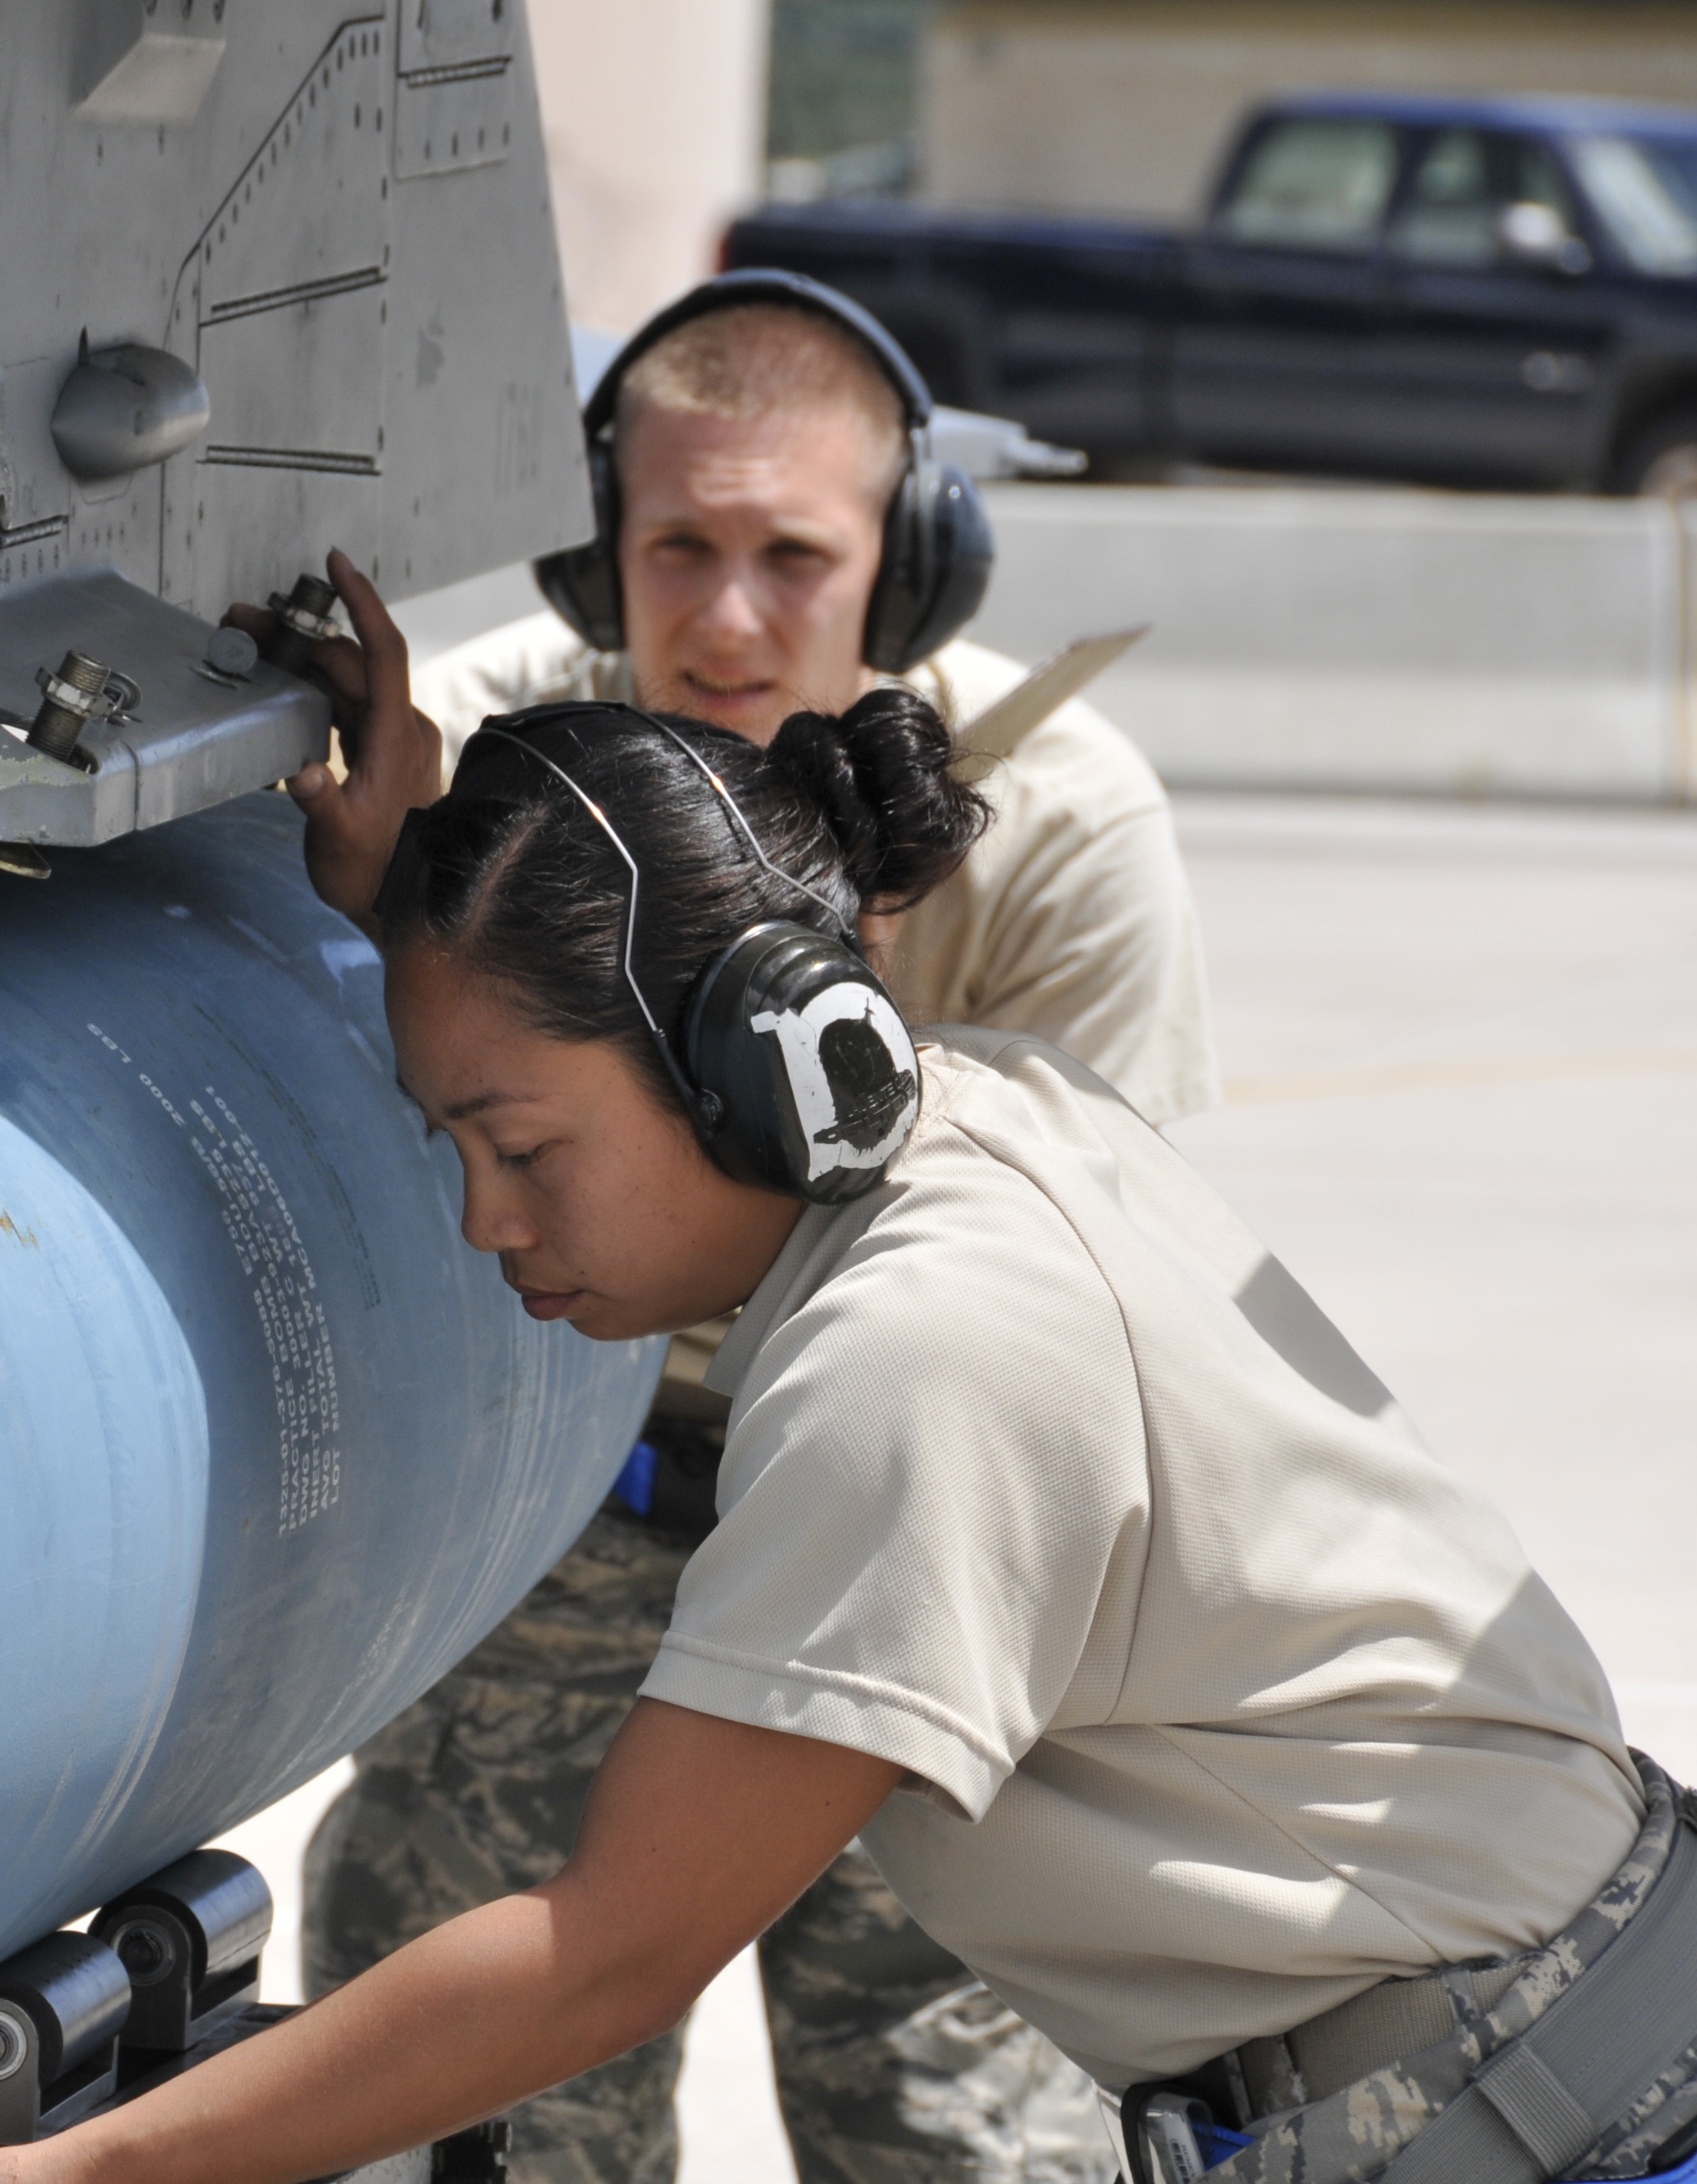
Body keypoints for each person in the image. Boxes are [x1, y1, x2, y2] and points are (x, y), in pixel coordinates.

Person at [0, 593, 1692, 2184]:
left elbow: (608, 1953)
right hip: (1548, 2052)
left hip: (1545, 2121)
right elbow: (587, 987)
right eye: (452, 1143)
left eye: (520, 1145)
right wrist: (419, 882)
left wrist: (79, 2174)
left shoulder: (919, 1358)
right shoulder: (977, 1113)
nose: (485, 1219)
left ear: (746, 1076)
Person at [305, 271, 1213, 2184]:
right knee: (463, 2117)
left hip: (915, 1540)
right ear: (592, 551)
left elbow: (1093, 1284)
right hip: (578, 1511)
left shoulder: (1050, 816)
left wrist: (820, 1039)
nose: (724, 620)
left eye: (791, 557)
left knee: (959, 2133)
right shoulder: (504, 769)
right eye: (674, 548)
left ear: (906, 570)